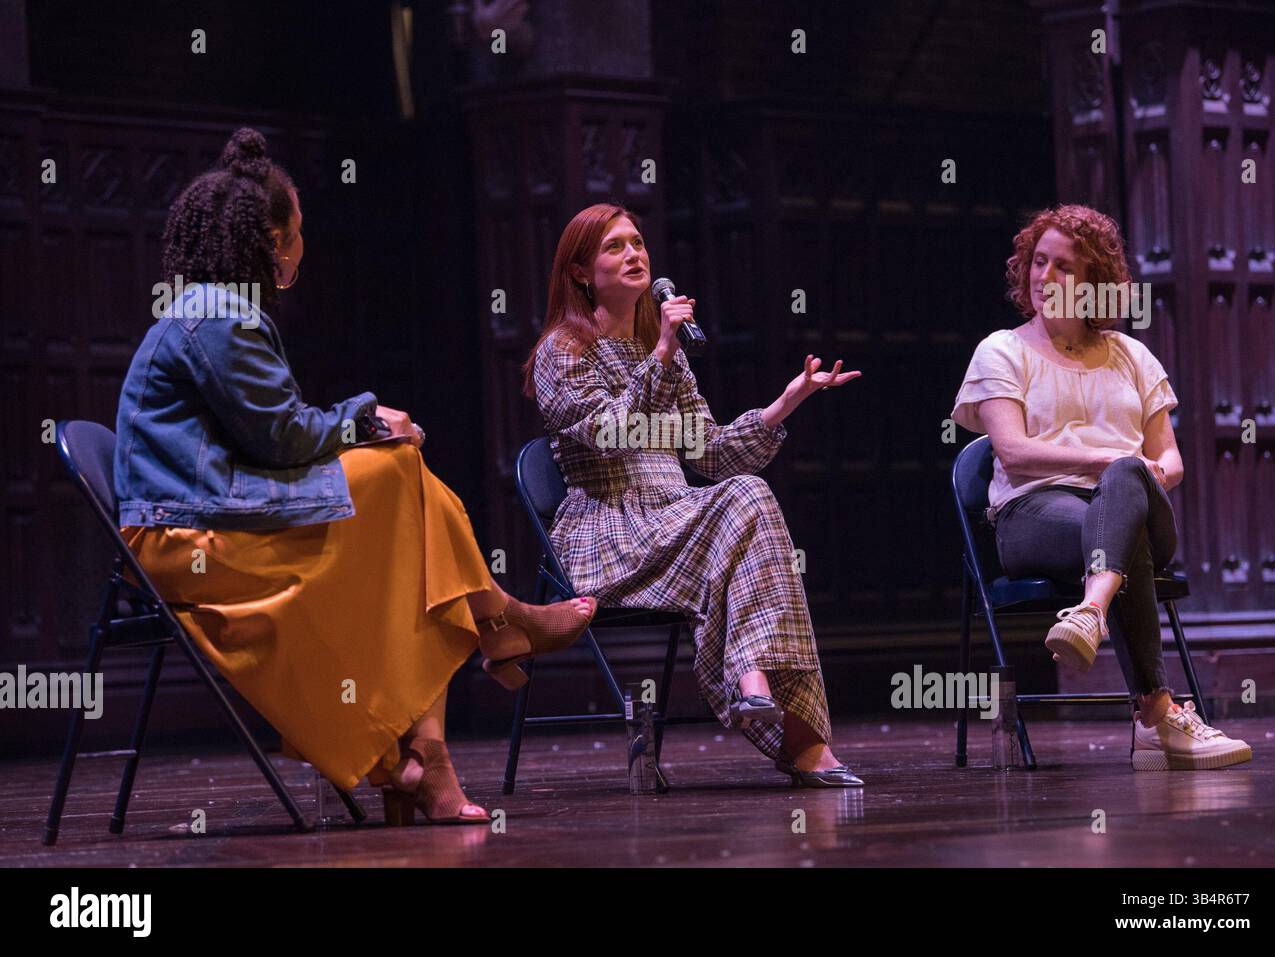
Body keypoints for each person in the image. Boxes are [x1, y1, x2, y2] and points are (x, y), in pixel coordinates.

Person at [114, 127, 596, 825]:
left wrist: (364, 425)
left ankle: (429, 752)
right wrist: (367, 418)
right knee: (401, 476)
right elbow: (282, 437)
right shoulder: (218, 317)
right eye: (299, 229)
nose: (303, 244)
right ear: (272, 241)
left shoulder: (211, 311)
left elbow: (273, 439)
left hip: (209, 516)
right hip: (183, 540)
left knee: (410, 543)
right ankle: (496, 620)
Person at [523, 202, 863, 787]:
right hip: (607, 533)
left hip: (676, 523)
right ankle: (791, 729)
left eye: (637, 242)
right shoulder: (564, 351)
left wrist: (786, 402)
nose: (635, 254)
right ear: (581, 272)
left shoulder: (669, 357)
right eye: (614, 247)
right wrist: (660, 354)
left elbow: (712, 453)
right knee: (743, 505)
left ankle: (761, 684)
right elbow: (611, 434)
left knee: (746, 493)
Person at [951, 203, 1250, 771]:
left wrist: (1133, 471)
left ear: (1094, 283)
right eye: (1039, 262)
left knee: (1126, 483)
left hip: (1132, 505)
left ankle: (1090, 611)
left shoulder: (1131, 356)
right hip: (1033, 515)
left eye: (1064, 267)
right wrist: (1109, 459)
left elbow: (1171, 460)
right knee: (1123, 519)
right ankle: (1161, 714)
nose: (1046, 277)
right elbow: (1011, 451)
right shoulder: (1002, 351)